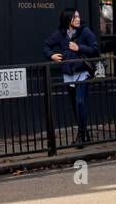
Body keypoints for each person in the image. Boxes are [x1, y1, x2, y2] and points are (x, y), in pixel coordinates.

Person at [42, 8, 100, 147]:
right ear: (68, 19)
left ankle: (81, 134)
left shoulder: (84, 31)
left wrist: (79, 48)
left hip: (82, 73)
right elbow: (46, 45)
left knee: (80, 102)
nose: (78, 19)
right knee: (75, 105)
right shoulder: (60, 33)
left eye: (79, 16)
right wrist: (51, 55)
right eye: (75, 17)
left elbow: (95, 49)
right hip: (68, 74)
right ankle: (84, 133)